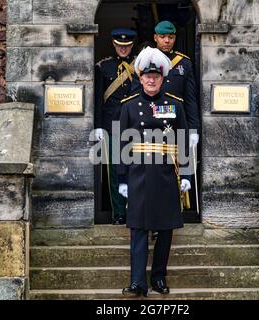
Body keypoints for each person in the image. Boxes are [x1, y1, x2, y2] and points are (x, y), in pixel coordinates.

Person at [118, 47, 192, 297]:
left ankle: (158, 278)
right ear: (140, 78)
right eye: (146, 76)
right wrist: (121, 178)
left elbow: (182, 142)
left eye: (156, 76)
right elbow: (121, 143)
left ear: (162, 78)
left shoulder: (175, 104)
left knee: (165, 228)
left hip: (165, 173)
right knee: (138, 228)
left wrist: (188, 175)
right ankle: (137, 282)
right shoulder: (128, 106)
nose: (151, 80)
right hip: (138, 173)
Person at [94, 28, 138, 225]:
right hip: (112, 125)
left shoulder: (140, 65)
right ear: (113, 44)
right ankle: (119, 213)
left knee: (137, 169)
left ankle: (136, 210)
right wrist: (98, 126)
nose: (124, 49)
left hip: (136, 125)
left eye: (127, 45)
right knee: (115, 171)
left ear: (132, 45)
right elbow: (97, 99)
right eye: (120, 46)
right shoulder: (104, 67)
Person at [153, 20, 201, 146]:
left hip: (177, 121)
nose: (167, 41)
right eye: (162, 37)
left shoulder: (184, 62)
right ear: (155, 37)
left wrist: (193, 129)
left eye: (171, 37)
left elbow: (190, 99)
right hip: (151, 122)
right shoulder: (147, 59)